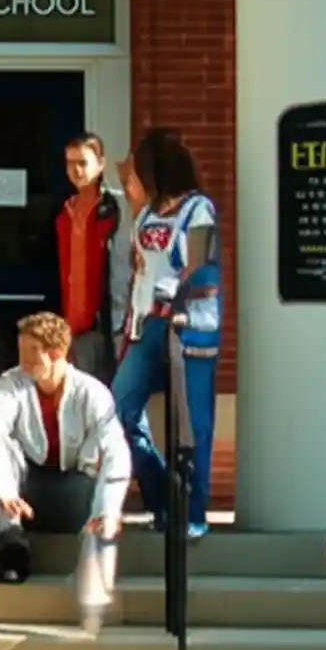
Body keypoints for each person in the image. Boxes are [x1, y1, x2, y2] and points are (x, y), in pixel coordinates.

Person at [0, 311, 130, 632]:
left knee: (100, 490)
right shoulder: (12, 382)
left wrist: (109, 510)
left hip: (74, 490)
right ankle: (12, 545)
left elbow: (117, 451)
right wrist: (3, 490)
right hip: (26, 493)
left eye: (32, 352)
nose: (23, 360)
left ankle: (94, 595)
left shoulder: (92, 392)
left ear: (56, 353)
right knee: (0, 444)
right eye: (21, 351)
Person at [111, 128, 221, 540]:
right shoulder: (144, 214)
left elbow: (200, 264)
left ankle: (192, 512)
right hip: (145, 328)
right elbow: (140, 270)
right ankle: (162, 498)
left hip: (189, 330)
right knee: (116, 411)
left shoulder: (199, 209)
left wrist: (172, 289)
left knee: (193, 425)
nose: (132, 177)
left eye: (138, 169)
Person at [57, 133, 133, 384]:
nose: (76, 170)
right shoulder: (65, 213)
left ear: (100, 164)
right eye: (70, 163)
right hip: (75, 322)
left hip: (110, 319)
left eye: (83, 163)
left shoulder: (116, 208)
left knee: (113, 392)